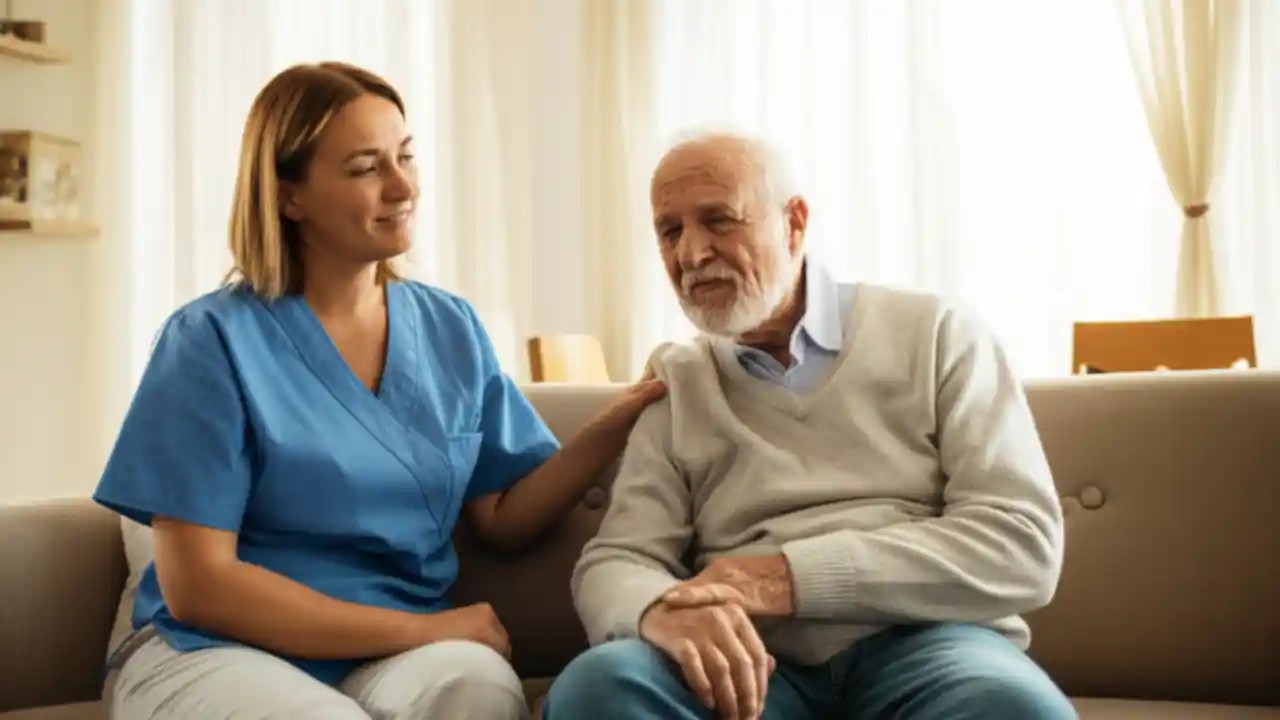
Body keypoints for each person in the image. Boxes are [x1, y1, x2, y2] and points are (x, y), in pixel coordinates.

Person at [93, 62, 665, 720]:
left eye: (406, 156)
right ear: (289, 197)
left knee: (476, 687)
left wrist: (622, 415)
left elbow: (503, 519)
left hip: (393, 656)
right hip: (216, 648)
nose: (403, 186)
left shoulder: (449, 326)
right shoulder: (209, 340)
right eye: (366, 168)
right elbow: (200, 589)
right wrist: (425, 630)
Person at [543, 132, 1075, 720]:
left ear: (793, 223)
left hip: (933, 647)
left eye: (718, 220)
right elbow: (615, 560)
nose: (691, 254)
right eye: (670, 231)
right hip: (751, 668)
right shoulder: (677, 381)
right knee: (597, 690)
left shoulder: (937, 333)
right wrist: (658, 608)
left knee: (1012, 708)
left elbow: (1020, 542)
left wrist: (781, 578)